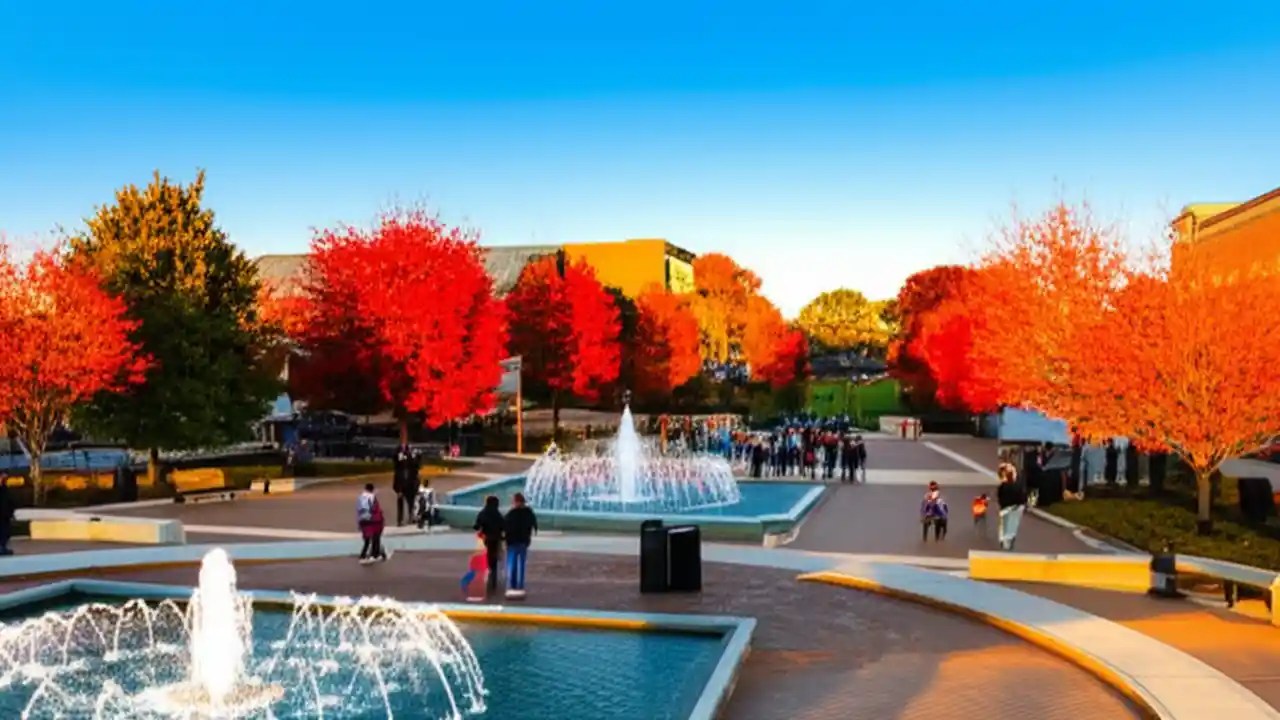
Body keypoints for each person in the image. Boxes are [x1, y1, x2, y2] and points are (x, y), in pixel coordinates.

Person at [503, 492, 538, 599]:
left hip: (513, 542)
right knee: (521, 564)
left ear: (517, 502)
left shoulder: (511, 514)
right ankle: (520, 585)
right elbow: (534, 524)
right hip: (523, 542)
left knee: (512, 564)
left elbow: (505, 527)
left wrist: (505, 539)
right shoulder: (529, 512)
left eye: (514, 501)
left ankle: (512, 585)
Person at [473, 495, 506, 596]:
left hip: (486, 539)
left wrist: (478, 528)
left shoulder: (483, 513)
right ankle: (493, 577)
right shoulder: (498, 514)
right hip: (496, 539)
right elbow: (503, 525)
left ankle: (488, 573)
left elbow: (477, 525)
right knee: (495, 558)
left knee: (487, 556)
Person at [356, 483, 390, 564]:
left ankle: (365, 555)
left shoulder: (361, 498)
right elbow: (375, 509)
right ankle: (374, 554)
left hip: (364, 521)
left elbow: (359, 510)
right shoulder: (372, 497)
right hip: (374, 521)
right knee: (376, 538)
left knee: (368, 539)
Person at [996, 469, 1028, 551]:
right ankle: (1010, 539)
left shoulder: (1004, 484)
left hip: (1005, 507)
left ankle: (1004, 541)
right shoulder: (1019, 485)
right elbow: (1023, 495)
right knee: (1013, 524)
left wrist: (1000, 504)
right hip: (1016, 507)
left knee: (1004, 524)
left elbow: (999, 495)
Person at [460, 533, 489, 602]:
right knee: (477, 577)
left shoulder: (479, 543)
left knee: (472, 577)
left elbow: (478, 552)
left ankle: (470, 592)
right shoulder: (481, 543)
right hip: (480, 564)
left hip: (478, 565)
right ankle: (475, 593)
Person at [0, 476, 14, 556]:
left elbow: (9, 500)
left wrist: (10, 511)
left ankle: (3, 547)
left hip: (5, 515)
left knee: (5, 532)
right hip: (3, 514)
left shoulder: (4, 489)